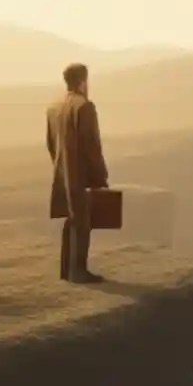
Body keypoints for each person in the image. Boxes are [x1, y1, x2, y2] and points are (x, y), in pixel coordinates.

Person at [46, 63, 109, 283]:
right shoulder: (84, 107)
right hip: (80, 174)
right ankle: (78, 270)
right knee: (82, 221)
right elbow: (91, 145)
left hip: (63, 172)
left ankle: (67, 270)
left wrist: (60, 166)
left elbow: (51, 143)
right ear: (83, 80)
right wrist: (100, 175)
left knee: (72, 219)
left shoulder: (54, 107)